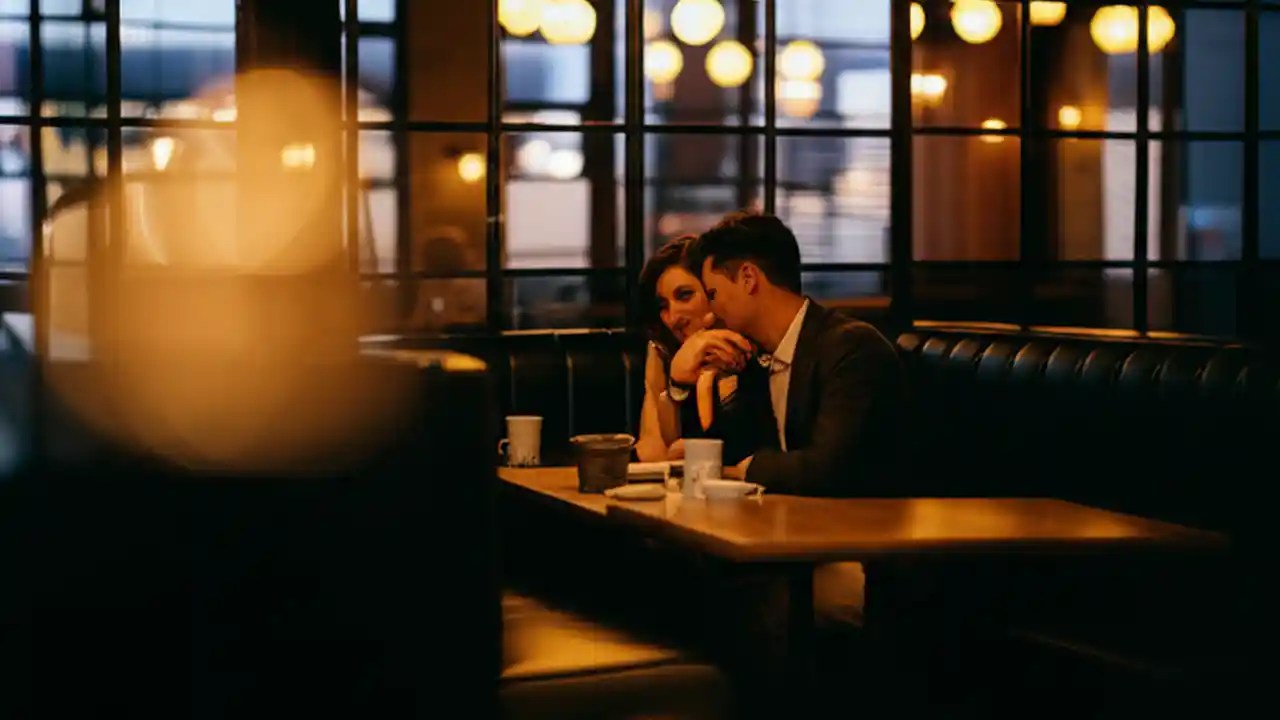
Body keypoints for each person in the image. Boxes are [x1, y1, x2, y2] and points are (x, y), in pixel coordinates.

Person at [681, 211, 907, 496]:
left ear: (749, 278)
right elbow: (727, 452)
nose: (709, 315)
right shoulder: (757, 355)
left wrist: (748, 469)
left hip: (864, 528)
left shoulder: (853, 349)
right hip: (793, 523)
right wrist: (685, 383)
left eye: (713, 294)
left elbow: (829, 469)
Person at [635, 236, 764, 465]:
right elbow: (652, 453)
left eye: (684, 295)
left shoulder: (757, 352)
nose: (673, 318)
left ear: (714, 291)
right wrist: (675, 384)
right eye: (663, 307)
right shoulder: (663, 353)